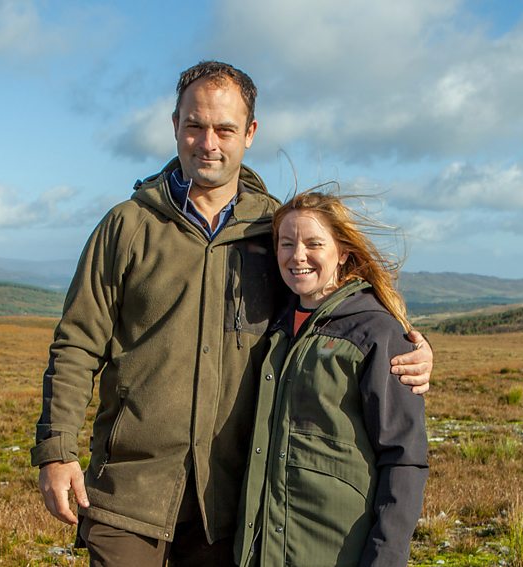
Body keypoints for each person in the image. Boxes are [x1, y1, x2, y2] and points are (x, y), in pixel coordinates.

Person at [31, 61, 433, 566]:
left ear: (250, 133)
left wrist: (408, 345)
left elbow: (331, 305)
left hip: (233, 501)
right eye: (194, 126)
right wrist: (57, 449)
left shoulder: (274, 230)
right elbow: (76, 343)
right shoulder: (127, 226)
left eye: (224, 128)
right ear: (174, 125)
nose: (208, 143)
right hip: (128, 495)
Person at [235, 191, 428, 567]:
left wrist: (385, 558)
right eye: (286, 244)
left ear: (342, 251)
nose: (298, 256)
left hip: (336, 551)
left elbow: (404, 460)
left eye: (314, 243)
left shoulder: (377, 333)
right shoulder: (272, 325)